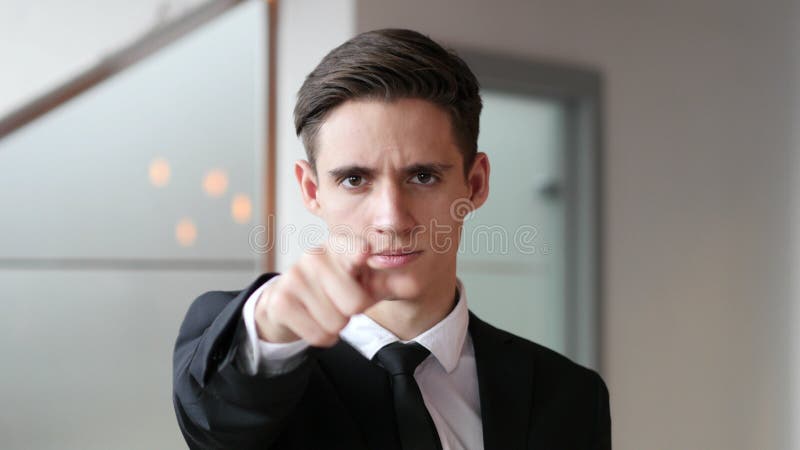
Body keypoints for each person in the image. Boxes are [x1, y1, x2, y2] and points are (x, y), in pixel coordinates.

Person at [172, 28, 611, 450]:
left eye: (422, 176)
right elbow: (217, 420)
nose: (392, 219)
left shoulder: (570, 396)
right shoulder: (259, 357)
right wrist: (270, 324)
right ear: (311, 191)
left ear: (474, 185)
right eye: (355, 179)